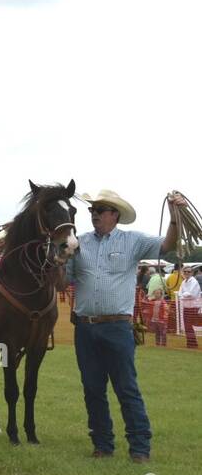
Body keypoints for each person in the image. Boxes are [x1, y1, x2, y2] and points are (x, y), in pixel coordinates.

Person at [69, 189, 187, 461]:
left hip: (117, 328)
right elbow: (62, 279)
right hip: (85, 328)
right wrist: (59, 256)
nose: (93, 215)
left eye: (99, 210)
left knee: (126, 388)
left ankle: (140, 447)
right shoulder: (79, 244)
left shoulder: (133, 240)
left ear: (114, 215)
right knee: (92, 388)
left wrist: (173, 215)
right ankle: (102, 444)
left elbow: (167, 245)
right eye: (92, 211)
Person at [180, 266, 201, 349]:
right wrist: (185, 295)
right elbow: (180, 294)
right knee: (187, 326)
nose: (186, 273)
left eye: (188, 271)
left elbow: (192, 294)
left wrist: (184, 295)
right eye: (185, 271)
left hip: (194, 307)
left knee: (192, 325)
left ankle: (192, 343)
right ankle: (191, 343)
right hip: (186, 307)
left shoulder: (194, 282)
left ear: (192, 273)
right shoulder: (183, 282)